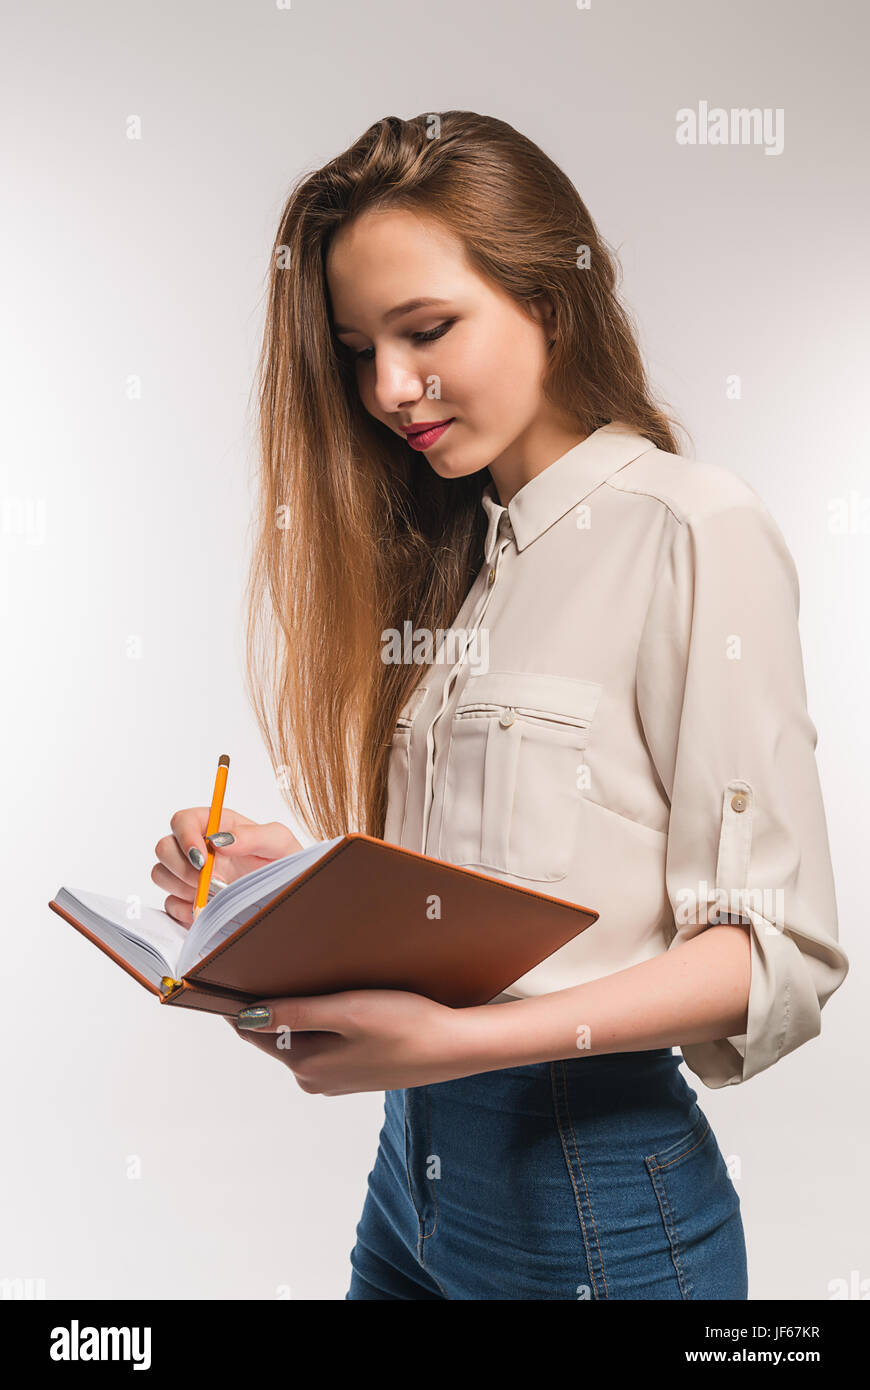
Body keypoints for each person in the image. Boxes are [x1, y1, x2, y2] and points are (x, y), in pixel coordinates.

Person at [151, 111, 849, 1300]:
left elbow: (768, 954)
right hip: (414, 1189)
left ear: (552, 301)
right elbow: (510, 894)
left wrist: (456, 1044)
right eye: (359, 348)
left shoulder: (693, 527)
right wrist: (299, 879)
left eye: (426, 331)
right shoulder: (458, 560)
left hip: (592, 1202)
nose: (388, 388)